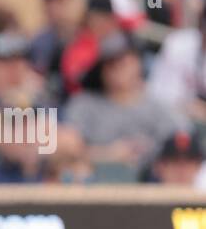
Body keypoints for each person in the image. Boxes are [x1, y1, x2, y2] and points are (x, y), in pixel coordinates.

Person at [63, 30, 185, 169]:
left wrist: (146, 151)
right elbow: (65, 151)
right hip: (94, 182)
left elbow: (182, 145)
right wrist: (109, 154)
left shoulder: (158, 105)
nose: (119, 69)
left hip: (150, 183)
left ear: (138, 63)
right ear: (101, 70)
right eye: (111, 64)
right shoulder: (84, 104)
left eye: (125, 62)